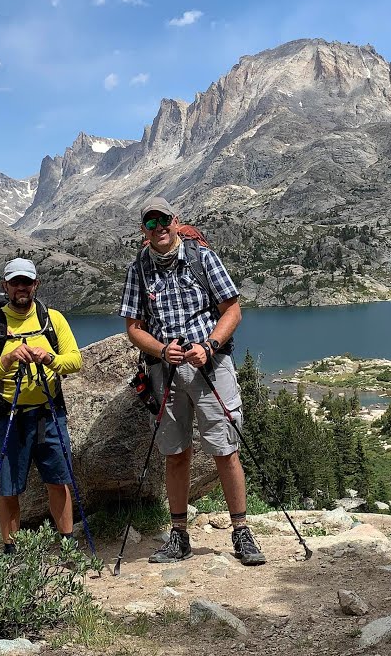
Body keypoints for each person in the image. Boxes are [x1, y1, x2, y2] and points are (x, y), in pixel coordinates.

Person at [118, 197, 266, 565]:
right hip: (165, 372)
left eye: (163, 220)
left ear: (176, 220)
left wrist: (210, 345)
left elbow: (232, 310)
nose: (159, 228)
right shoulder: (138, 269)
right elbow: (133, 328)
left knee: (225, 448)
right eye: (150, 223)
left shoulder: (202, 258)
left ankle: (241, 531)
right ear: (144, 230)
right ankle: (179, 536)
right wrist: (160, 349)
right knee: (175, 453)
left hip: (210, 365)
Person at [0, 257, 83, 553]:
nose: (21, 287)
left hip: (49, 413)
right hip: (9, 415)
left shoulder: (52, 319)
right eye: (15, 282)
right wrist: (8, 359)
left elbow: (75, 360)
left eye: (27, 282)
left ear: (36, 285)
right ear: (5, 286)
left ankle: (67, 544)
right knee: (9, 488)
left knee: (59, 480)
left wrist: (49, 359)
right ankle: (11, 549)